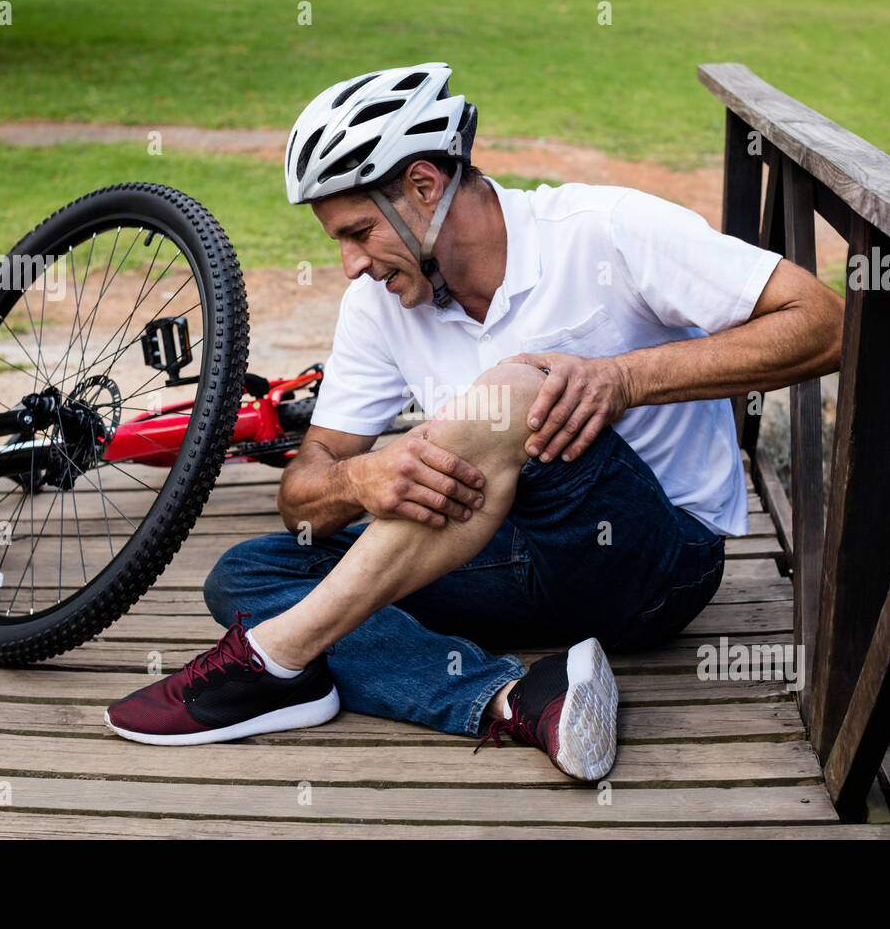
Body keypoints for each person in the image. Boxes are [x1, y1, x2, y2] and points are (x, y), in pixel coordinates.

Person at [104, 62, 843, 781]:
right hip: (504, 565)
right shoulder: (380, 303)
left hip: (652, 564)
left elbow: (824, 324)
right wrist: (362, 478)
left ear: (424, 186)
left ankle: (272, 661)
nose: (350, 265)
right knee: (250, 572)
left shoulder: (604, 230)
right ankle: (515, 699)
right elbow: (304, 489)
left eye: (358, 232)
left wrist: (621, 380)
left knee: (526, 387)